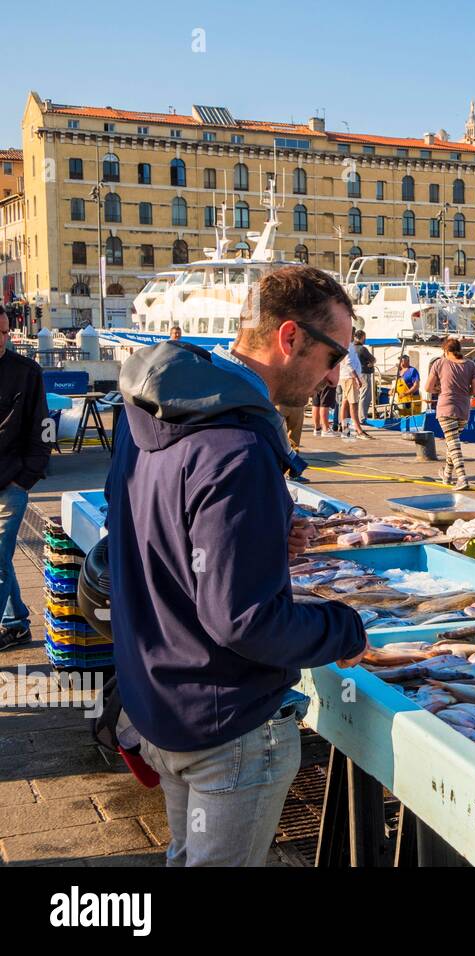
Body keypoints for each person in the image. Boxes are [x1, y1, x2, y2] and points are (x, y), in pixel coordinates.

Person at [106, 265, 368, 866]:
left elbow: (145, 531)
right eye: (334, 356)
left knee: (184, 857)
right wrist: (345, 629)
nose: (335, 376)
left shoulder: (151, 414)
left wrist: (263, 540)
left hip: (160, 698)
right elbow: (243, 621)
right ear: (289, 338)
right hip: (225, 720)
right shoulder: (240, 447)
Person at [0, 312, 51, 650]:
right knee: (2, 560)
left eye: (3, 332)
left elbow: (43, 429)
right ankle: (17, 622)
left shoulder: (26, 372)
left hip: (11, 484)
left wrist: (26, 478)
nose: (1, 338)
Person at [426, 337, 475, 490]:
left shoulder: (439, 363)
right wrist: (463, 392)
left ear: (446, 350)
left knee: (453, 444)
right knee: (452, 443)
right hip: (463, 409)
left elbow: (428, 387)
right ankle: (447, 475)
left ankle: (462, 477)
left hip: (446, 408)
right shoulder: (470, 365)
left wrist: (440, 390)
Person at [337, 332, 371, 439]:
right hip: (350, 378)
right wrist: (357, 378)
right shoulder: (348, 346)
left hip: (345, 377)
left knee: (345, 403)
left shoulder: (345, 345)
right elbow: (348, 363)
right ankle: (358, 430)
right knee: (353, 404)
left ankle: (344, 428)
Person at [354, 329, 376, 419]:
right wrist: (371, 363)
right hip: (364, 374)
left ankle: (355, 417)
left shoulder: (351, 348)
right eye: (365, 337)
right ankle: (362, 417)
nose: (365, 339)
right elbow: (373, 359)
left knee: (355, 397)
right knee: (365, 395)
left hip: (354, 374)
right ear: (362, 337)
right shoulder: (362, 349)